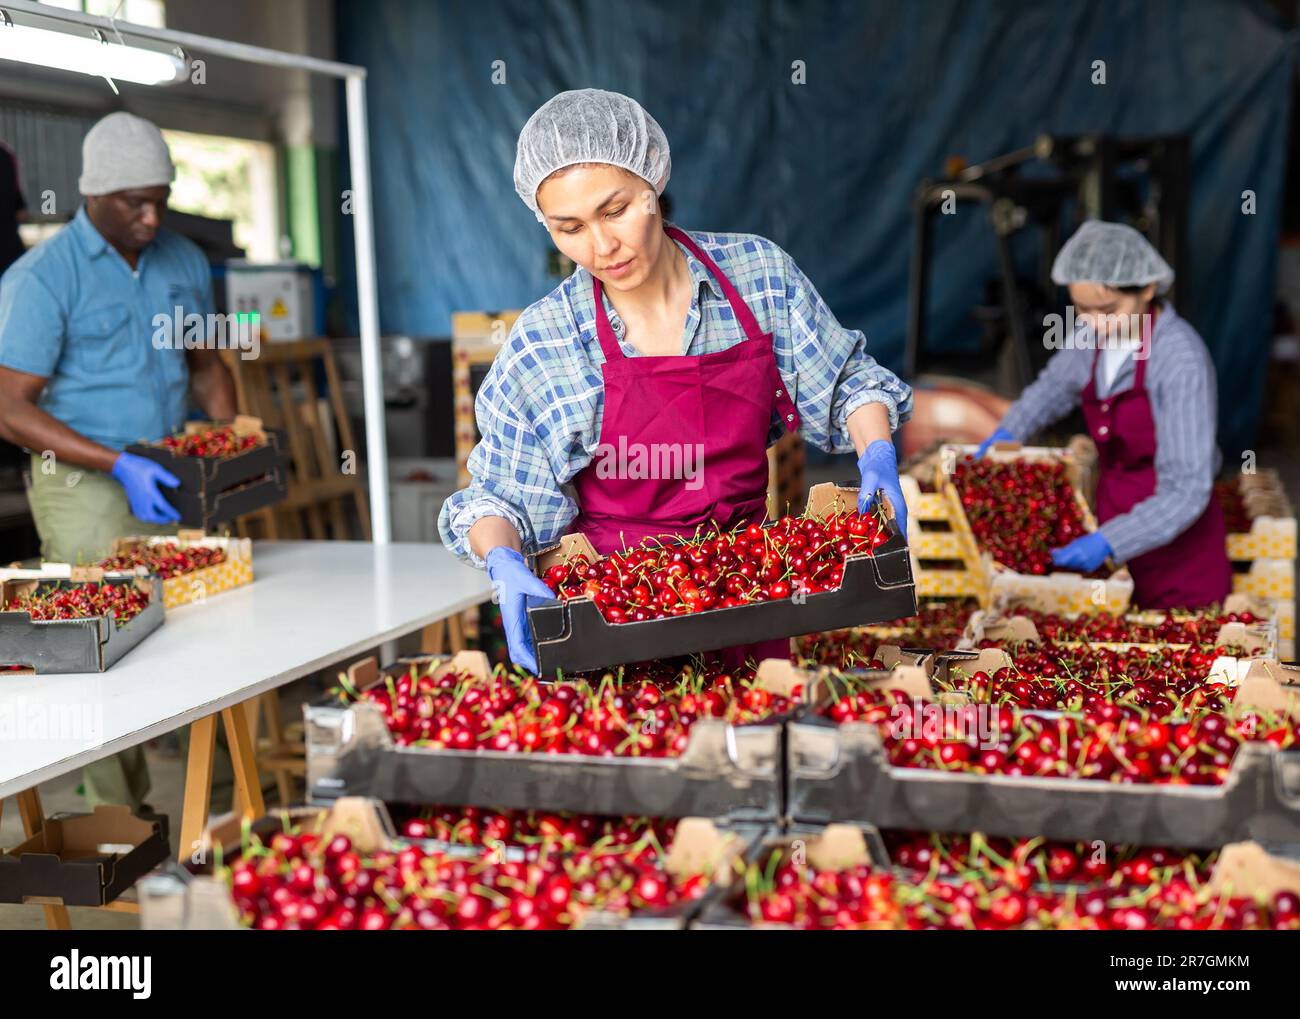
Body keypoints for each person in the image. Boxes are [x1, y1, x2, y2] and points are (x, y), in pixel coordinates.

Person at [439, 89, 913, 672]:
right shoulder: (547, 342)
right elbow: (499, 498)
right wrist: (506, 563)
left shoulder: (758, 277)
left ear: (654, 181)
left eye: (615, 211)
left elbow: (844, 386)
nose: (601, 246)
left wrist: (878, 455)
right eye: (569, 228)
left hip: (754, 593)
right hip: (617, 616)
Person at [0, 112, 238, 811]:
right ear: (92, 195)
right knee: (104, 646)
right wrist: (116, 463)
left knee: (202, 630)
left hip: (172, 470)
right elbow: (11, 408)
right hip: (82, 486)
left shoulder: (185, 261)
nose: (150, 214)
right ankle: (120, 818)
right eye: (133, 201)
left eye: (160, 197)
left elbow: (210, 362)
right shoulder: (41, 279)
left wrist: (229, 453)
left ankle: (214, 803)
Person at [975, 220, 1231, 609]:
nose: (1095, 323)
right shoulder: (1092, 337)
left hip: (1177, 558)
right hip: (1110, 523)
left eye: (1108, 310)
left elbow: (1186, 488)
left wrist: (1112, 541)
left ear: (1147, 289)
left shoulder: (1179, 360)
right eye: (1082, 310)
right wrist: (1010, 430)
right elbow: (1052, 389)